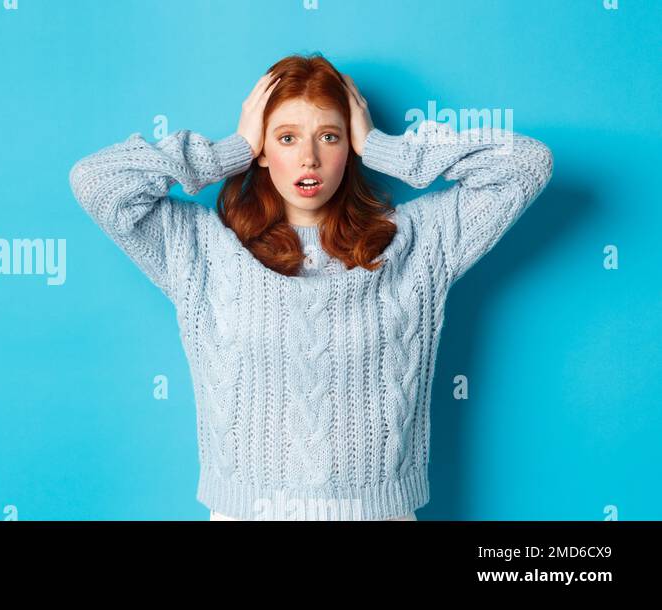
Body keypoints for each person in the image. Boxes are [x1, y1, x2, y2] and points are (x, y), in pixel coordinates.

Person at [68, 53, 553, 521]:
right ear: (262, 149)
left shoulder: (416, 242)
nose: (309, 157)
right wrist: (229, 150)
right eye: (285, 137)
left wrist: (386, 148)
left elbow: (527, 165)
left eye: (329, 136)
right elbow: (95, 181)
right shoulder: (203, 249)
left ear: (350, 147)